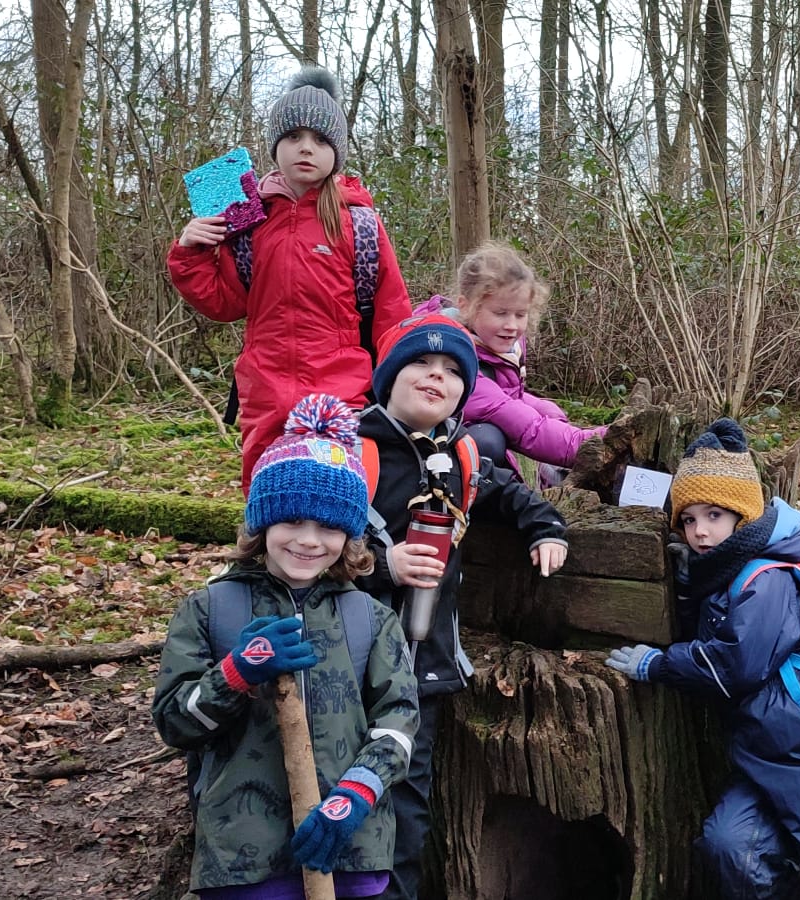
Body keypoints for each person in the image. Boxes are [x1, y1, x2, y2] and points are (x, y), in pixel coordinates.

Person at [603, 419, 800, 900]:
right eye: (688, 519)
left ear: (744, 516)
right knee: (732, 847)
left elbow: (739, 662)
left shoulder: (768, 578)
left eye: (714, 515)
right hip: (761, 751)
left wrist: (658, 665)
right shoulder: (725, 574)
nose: (700, 531)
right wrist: (686, 588)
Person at [152, 393, 420, 898]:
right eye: (292, 521)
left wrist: (357, 793)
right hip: (244, 857)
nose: (309, 540)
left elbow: (400, 721)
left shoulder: (370, 618)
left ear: (350, 535)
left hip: (351, 849)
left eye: (329, 527)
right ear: (263, 522)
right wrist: (236, 673)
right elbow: (174, 723)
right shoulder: (210, 609)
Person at [350, 313, 571, 900]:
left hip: (422, 668)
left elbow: (514, 495)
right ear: (388, 377)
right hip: (346, 664)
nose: (436, 376)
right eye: (420, 363)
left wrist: (547, 529)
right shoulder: (351, 451)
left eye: (452, 371)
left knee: (407, 801)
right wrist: (382, 563)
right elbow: (306, 543)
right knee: (340, 789)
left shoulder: (463, 457)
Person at [168, 65, 414, 491]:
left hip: (341, 388)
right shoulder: (246, 219)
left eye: (320, 140)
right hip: (264, 387)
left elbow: (392, 313)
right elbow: (225, 303)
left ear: (337, 151)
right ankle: (261, 537)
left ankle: (338, 538)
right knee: (265, 492)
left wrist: (401, 385)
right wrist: (191, 252)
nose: (306, 148)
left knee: (335, 490)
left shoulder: (360, 223)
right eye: (294, 136)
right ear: (275, 145)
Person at [410, 242, 603, 486]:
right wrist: (601, 442)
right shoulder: (449, 358)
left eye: (520, 314)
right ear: (466, 306)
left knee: (546, 411)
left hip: (475, 424)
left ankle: (543, 478)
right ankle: (479, 500)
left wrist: (547, 411)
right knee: (488, 440)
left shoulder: (494, 342)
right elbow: (521, 424)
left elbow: (509, 396)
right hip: (430, 456)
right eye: (500, 313)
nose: (512, 325)